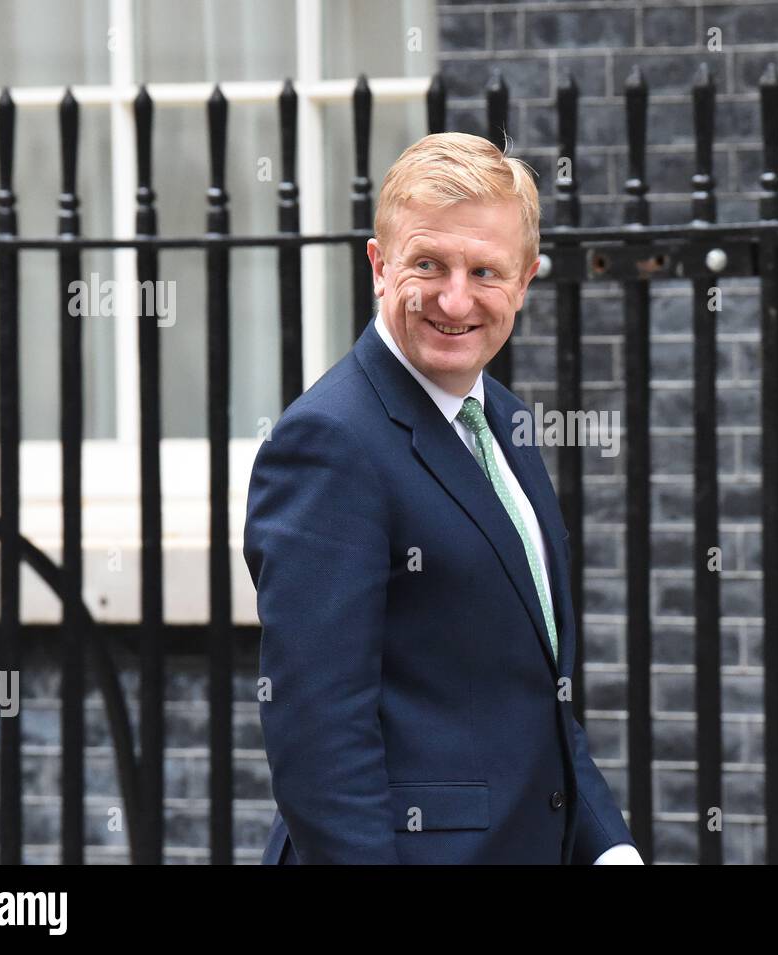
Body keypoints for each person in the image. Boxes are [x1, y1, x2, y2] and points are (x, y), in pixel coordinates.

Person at [244, 131, 643, 864]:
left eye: (485, 271)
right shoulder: (329, 443)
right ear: (379, 265)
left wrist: (610, 850)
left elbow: (532, 694)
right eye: (428, 263)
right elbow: (318, 735)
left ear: (524, 281)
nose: (454, 298)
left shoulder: (509, 423)